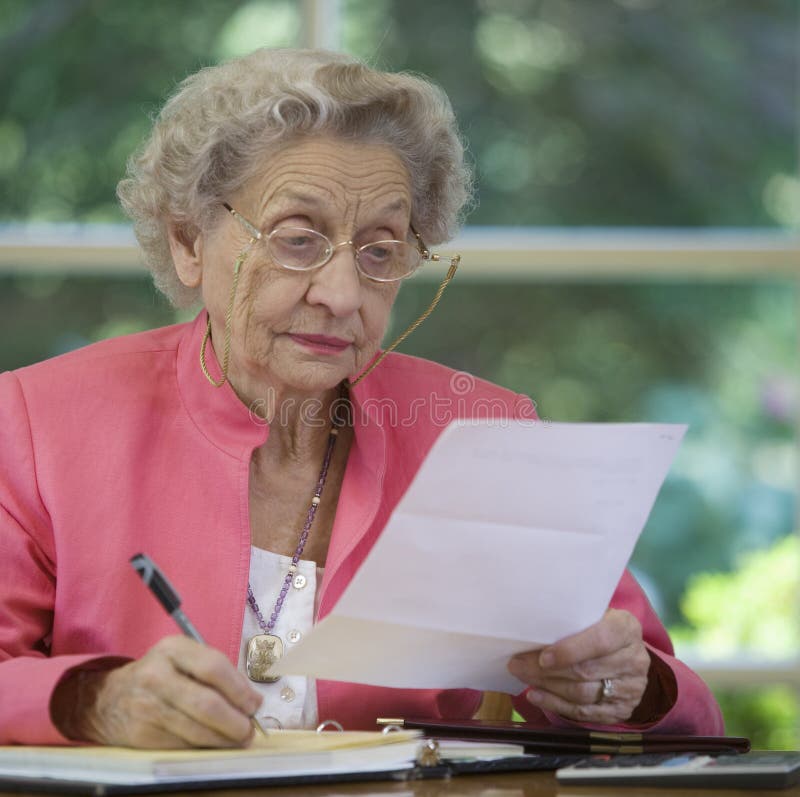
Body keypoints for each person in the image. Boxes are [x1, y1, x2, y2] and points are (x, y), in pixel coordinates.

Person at [0, 48, 723, 748]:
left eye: (380, 251)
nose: (343, 295)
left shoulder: (482, 430)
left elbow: (684, 704)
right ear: (190, 241)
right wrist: (97, 701)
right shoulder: (39, 423)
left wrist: (625, 687)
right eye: (297, 239)